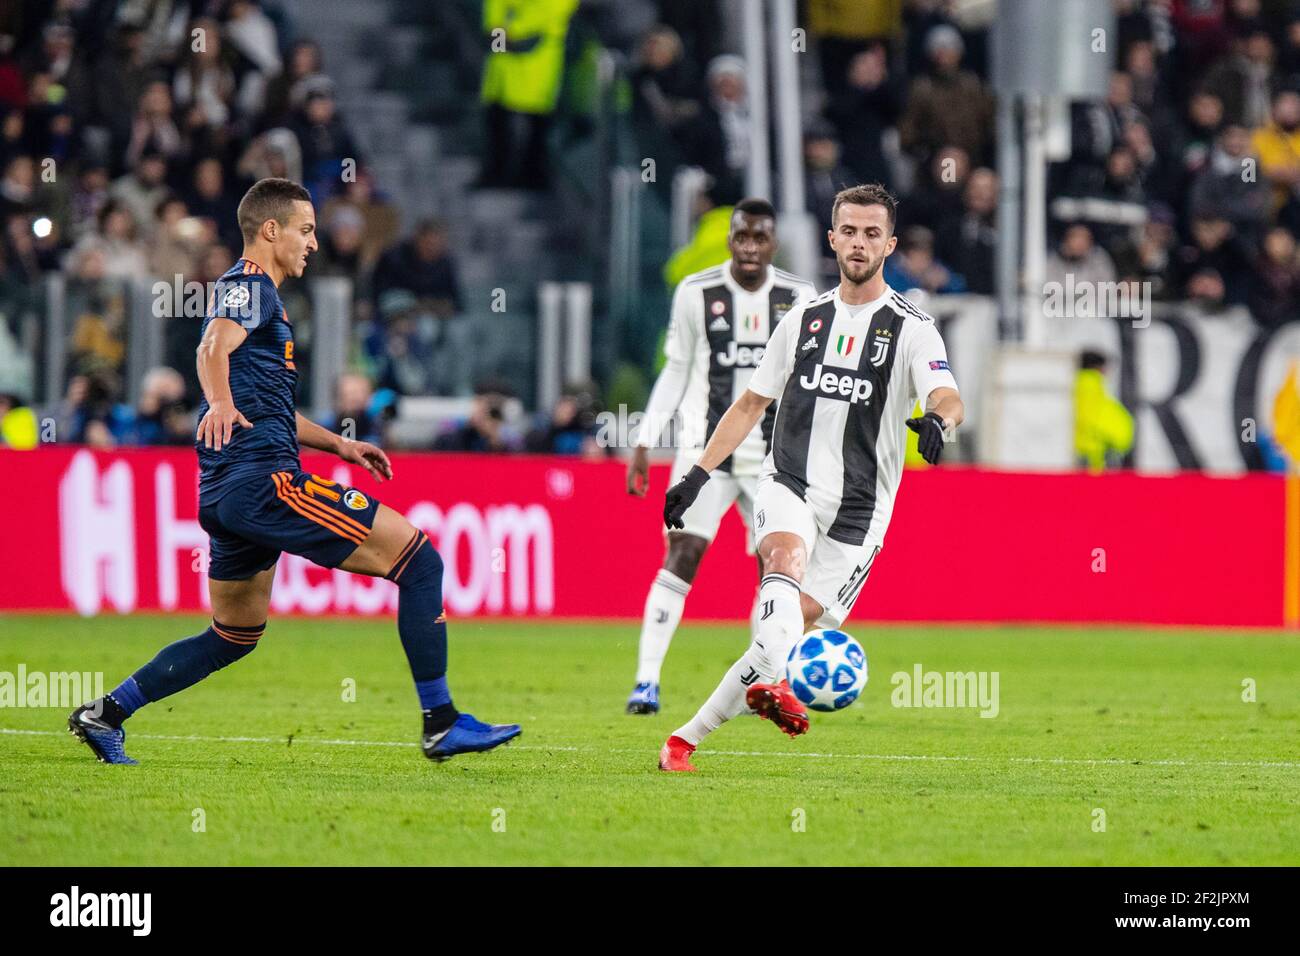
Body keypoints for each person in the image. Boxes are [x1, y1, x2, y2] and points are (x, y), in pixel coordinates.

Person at [68, 178, 519, 766]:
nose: (313, 243)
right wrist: (221, 402)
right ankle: (441, 721)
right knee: (419, 560)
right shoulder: (249, 287)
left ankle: (106, 714)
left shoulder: (263, 299)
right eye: (305, 231)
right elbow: (211, 350)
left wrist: (338, 445)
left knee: (233, 634)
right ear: (270, 231)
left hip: (229, 493)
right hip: (265, 484)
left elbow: (271, 408)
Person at [657, 184, 964, 772]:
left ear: (890, 245)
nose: (859, 242)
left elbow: (948, 394)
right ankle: (758, 692)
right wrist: (698, 475)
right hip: (789, 481)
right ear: (832, 238)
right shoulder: (803, 318)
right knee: (781, 561)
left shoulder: (911, 327)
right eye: (849, 230)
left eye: (872, 233)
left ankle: (684, 738)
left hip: (860, 512)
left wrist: (939, 423)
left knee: (777, 642)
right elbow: (749, 404)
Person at [625, 197, 817, 715]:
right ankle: (646, 682)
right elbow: (677, 368)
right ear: (730, 239)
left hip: (775, 460)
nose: (750, 247)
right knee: (682, 553)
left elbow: (810, 383)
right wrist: (645, 439)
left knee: (774, 569)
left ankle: (765, 683)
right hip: (703, 455)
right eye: (741, 237)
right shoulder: (697, 292)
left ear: (773, 243)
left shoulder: (800, 297)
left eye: (759, 238)